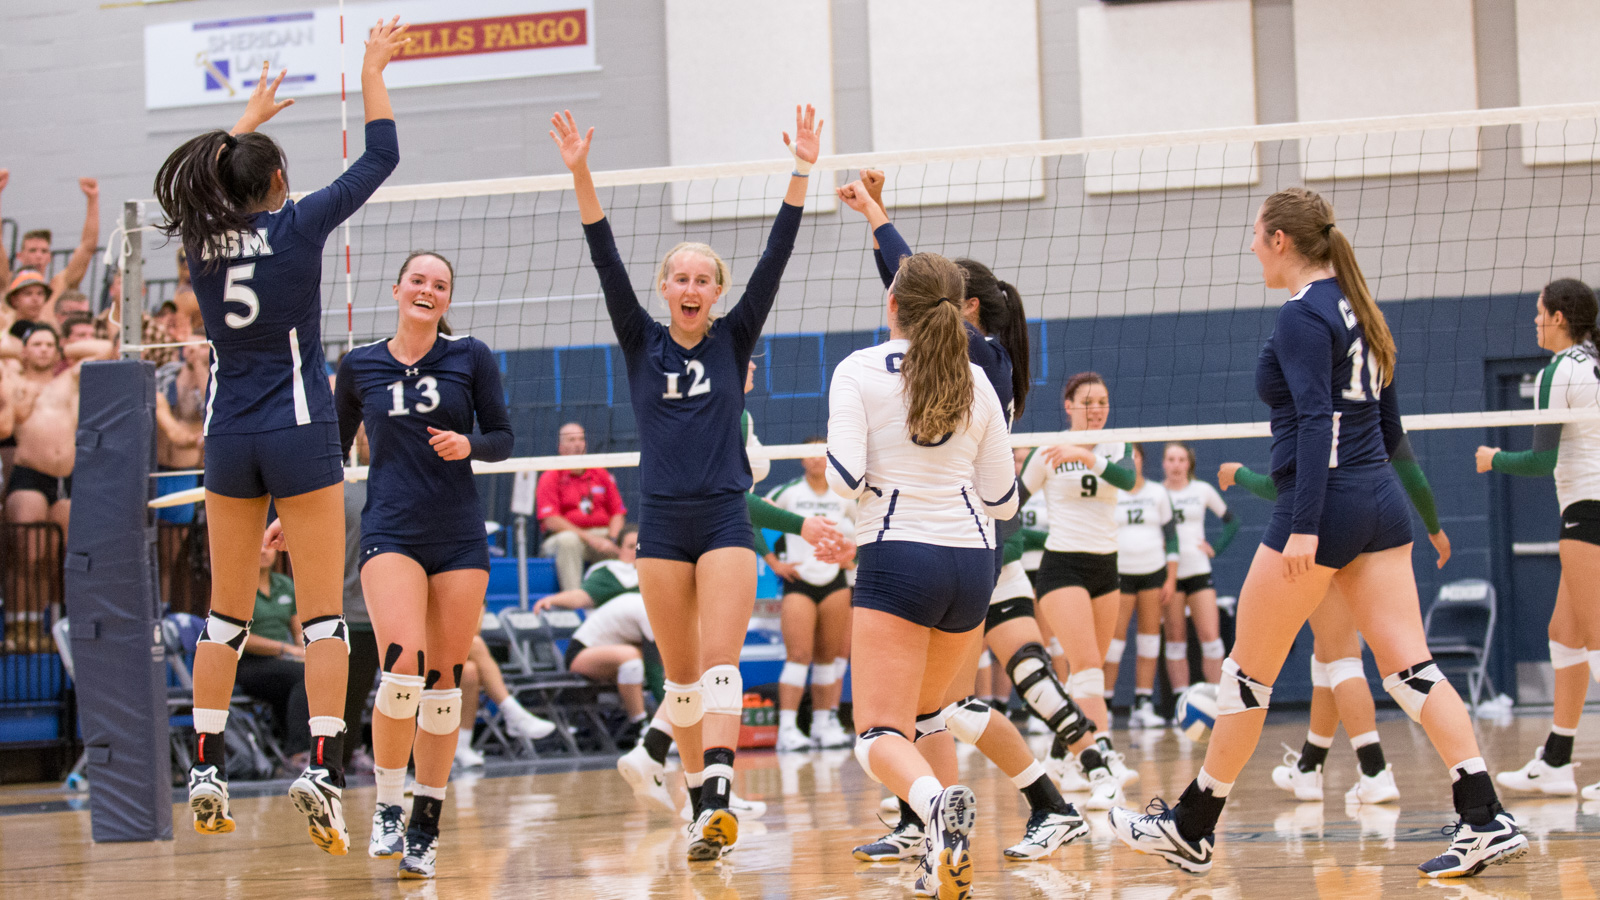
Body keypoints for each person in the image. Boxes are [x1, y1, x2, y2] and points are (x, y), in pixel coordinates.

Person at [1110, 186, 1526, 879]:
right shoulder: (1361, 309)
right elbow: (1391, 433)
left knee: (1247, 671)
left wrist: (1304, 529)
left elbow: (1312, 419)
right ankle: (1483, 813)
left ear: (1281, 241)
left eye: (1255, 233)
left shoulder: (1304, 316)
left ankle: (1192, 826)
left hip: (1324, 504)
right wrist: (1421, 516)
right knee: (1410, 669)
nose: (1250, 246)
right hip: (1378, 503)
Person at [553, 102, 830, 862]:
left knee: (720, 665)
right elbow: (602, 252)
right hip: (661, 527)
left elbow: (775, 256)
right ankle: (695, 795)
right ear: (666, 286)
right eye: (679, 275)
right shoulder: (640, 338)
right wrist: (581, 173)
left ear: (714, 292)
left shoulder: (734, 337)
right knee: (677, 680)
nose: (690, 284)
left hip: (722, 522)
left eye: (703, 278)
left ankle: (715, 796)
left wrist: (801, 170)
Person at [154, 22, 406, 851]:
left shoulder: (201, 240)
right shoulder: (298, 226)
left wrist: (241, 122)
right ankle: (325, 769)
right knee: (324, 617)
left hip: (229, 438)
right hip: (300, 436)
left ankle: (203, 767)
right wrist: (371, 69)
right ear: (280, 181)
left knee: (224, 615)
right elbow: (380, 159)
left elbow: (199, 184)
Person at [840, 175, 1092, 866]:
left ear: (961, 306)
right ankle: (933, 820)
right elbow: (912, 290)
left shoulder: (974, 357)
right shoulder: (970, 355)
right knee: (934, 711)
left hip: (966, 541)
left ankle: (1055, 804)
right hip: (964, 543)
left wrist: (877, 219)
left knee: (954, 704)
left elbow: (913, 288)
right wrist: (874, 216)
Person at [826, 245, 1017, 896]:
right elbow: (1003, 501)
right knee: (933, 713)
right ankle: (940, 855)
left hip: (899, 556)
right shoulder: (978, 378)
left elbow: (845, 478)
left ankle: (935, 806)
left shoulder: (857, 371)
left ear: (891, 305)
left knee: (878, 732)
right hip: (973, 564)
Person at [327, 249, 512, 879]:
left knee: (444, 680)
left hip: (458, 534)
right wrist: (285, 516)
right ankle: (387, 804)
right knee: (400, 667)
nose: (427, 290)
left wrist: (471, 445)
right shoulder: (360, 365)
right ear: (399, 288)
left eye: (440, 285)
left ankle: (426, 823)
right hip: (391, 528)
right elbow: (329, 451)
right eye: (418, 281)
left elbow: (503, 438)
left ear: (447, 300)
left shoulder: (471, 357)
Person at [1220, 450, 1450, 805]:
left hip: (1323, 528)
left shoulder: (1316, 411)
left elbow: (1282, 487)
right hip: (1375, 519)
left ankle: (1374, 771)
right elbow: (1411, 470)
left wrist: (1239, 474)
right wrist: (1434, 526)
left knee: (1342, 656)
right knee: (1328, 654)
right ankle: (1310, 767)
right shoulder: (1371, 413)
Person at [1476, 278, 1600, 801]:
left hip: (1588, 511)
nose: (1534, 320)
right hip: (1589, 508)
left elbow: (1542, 460)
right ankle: (1556, 759)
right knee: (1564, 633)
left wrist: (1493, 459)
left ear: (1559, 318)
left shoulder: (1559, 370)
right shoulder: (1593, 363)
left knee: (1594, 638)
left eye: (1539, 312)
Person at [1018, 373, 1139, 805]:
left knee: (1088, 671)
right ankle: (1101, 756)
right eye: (1088, 401)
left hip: (1106, 566)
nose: (1097, 409)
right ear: (1068, 406)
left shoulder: (1117, 445)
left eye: (1103, 401)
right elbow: (1012, 502)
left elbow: (1128, 481)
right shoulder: (1048, 449)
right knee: (1086, 665)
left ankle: (1059, 758)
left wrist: (1087, 457)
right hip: (1061, 565)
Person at [764, 437, 857, 752]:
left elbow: (870, 529)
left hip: (835, 581)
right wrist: (773, 562)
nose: (817, 460)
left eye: (823, 454)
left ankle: (821, 725)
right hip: (800, 582)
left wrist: (853, 559)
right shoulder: (788, 492)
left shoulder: (845, 496)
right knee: (799, 655)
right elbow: (751, 517)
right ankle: (787, 730)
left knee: (828, 658)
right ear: (801, 459)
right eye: (811, 455)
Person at [5, 324, 115, 532]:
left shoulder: (68, 381)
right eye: (37, 344)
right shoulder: (14, 382)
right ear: (24, 351)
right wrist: (19, 351)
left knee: (63, 553)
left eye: (49, 345)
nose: (44, 349)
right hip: (30, 475)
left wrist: (64, 350)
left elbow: (105, 348)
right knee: (31, 552)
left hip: (67, 478)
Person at [1160, 442, 1239, 696]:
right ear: (1164, 463)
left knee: (1210, 637)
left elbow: (1232, 522)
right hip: (1170, 574)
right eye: (1171, 459)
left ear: (1189, 463)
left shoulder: (1202, 490)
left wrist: (1215, 547)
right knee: (1175, 639)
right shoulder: (1157, 493)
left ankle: (1217, 697)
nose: (1176, 465)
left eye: (1181, 459)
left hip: (1198, 570)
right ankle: (1181, 700)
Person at [1111, 444, 1179, 729]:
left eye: (1135, 456)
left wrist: (1171, 577)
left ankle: (1143, 703)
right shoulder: (1110, 491)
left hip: (1152, 572)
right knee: (1114, 643)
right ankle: (1103, 704)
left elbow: (1171, 537)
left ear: (1142, 460)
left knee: (1150, 639)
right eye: (1125, 457)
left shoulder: (1157, 493)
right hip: (1120, 574)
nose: (1131, 461)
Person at [238, 544, 312, 764]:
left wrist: (306, 649)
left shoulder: (285, 584)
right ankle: (297, 753)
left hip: (284, 663)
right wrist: (286, 649)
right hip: (249, 664)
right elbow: (240, 637)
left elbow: (297, 630)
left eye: (267, 545)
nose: (262, 551)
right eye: (256, 544)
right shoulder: (239, 586)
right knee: (302, 675)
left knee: (315, 670)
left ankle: (339, 749)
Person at [536, 422, 627, 591]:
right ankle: (574, 599)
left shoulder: (600, 473)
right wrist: (590, 538)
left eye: (580, 439)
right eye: (571, 440)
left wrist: (612, 540)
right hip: (567, 537)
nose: (577, 444)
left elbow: (617, 513)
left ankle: (619, 596)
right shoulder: (550, 476)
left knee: (629, 541)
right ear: (561, 447)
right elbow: (552, 521)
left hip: (601, 534)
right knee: (568, 541)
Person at [0, 176, 99, 310]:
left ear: (49, 257)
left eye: (44, 251)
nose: (39, 255)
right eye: (32, 250)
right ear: (20, 256)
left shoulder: (58, 286)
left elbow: (87, 247)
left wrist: (92, 199)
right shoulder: (8, 285)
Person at [534, 523, 639, 613]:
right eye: (630, 547)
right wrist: (552, 600)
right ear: (618, 549)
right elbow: (581, 596)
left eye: (639, 547)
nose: (636, 551)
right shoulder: (609, 571)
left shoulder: (653, 573)